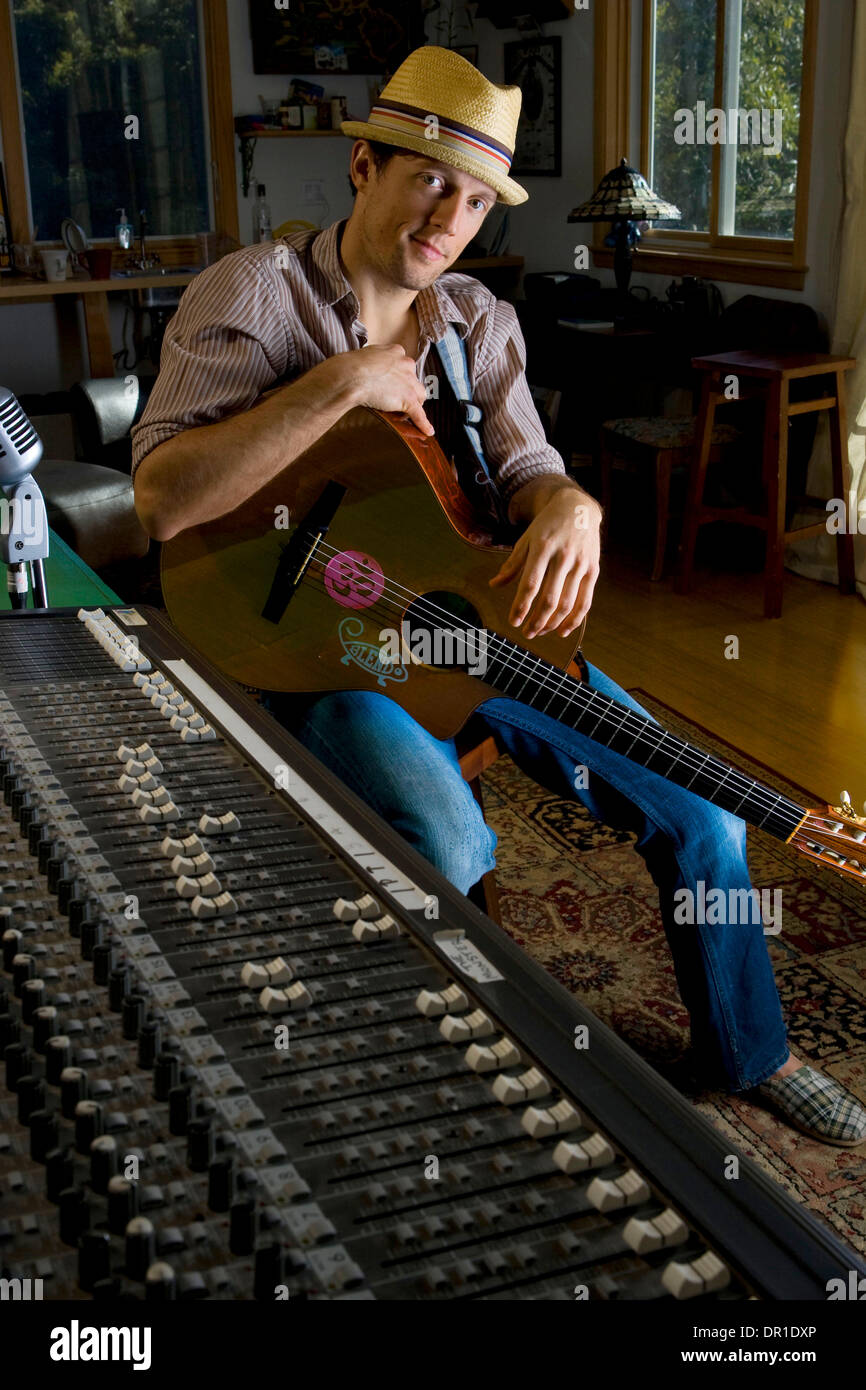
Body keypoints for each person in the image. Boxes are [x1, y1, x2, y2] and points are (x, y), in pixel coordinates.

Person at [131, 46, 865, 1147]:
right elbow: (163, 504)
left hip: (459, 623)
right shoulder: (250, 293)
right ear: (364, 165)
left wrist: (570, 503)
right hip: (305, 644)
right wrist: (337, 385)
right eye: (427, 178)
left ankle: (748, 1050)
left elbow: (525, 470)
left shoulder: (476, 318)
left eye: (475, 198)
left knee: (704, 814)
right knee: (448, 833)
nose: (449, 217)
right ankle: (463, 1053)